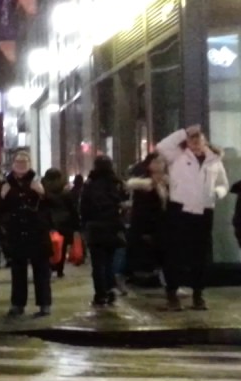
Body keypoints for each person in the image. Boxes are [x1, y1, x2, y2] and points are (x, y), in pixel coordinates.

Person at [156, 125, 229, 310]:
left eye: (198, 139)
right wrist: (183, 131)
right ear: (186, 142)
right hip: (180, 208)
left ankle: (198, 294)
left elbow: (223, 183)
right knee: (175, 254)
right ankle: (172, 294)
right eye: (191, 140)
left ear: (204, 141)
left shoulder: (214, 161)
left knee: (200, 254)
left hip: (204, 210)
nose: (196, 143)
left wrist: (216, 193)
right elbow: (162, 146)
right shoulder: (177, 157)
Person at [0, 149, 52, 317]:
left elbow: (52, 205)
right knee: (18, 271)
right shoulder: (7, 183)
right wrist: (2, 197)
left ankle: (44, 304)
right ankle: (17, 304)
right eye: (18, 162)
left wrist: (43, 194)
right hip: (16, 232)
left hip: (37, 232)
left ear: (30, 164)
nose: (21, 165)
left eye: (24, 162)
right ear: (13, 165)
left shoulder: (38, 181)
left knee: (41, 270)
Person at [79, 156, 128, 307]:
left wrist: (84, 224)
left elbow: (84, 207)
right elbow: (124, 201)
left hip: (95, 228)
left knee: (97, 263)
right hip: (112, 226)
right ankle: (110, 290)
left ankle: (100, 294)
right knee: (109, 261)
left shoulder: (90, 184)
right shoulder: (116, 183)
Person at [128, 155, 169, 288]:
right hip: (150, 226)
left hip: (167, 225)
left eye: (161, 162)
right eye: (156, 162)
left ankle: (168, 283)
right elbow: (140, 210)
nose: (159, 165)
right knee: (151, 255)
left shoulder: (169, 183)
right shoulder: (144, 185)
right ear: (149, 165)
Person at [41, 168, 77, 278]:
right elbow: (72, 209)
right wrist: (76, 225)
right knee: (63, 246)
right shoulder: (65, 193)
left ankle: (50, 266)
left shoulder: (43, 192)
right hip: (64, 222)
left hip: (48, 223)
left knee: (48, 246)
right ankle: (60, 269)